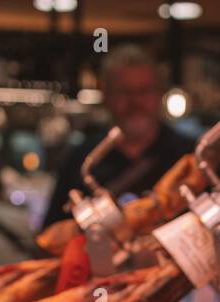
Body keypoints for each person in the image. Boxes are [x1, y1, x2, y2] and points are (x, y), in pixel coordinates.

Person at [42, 45, 195, 229]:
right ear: (106, 96)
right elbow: (51, 234)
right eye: (124, 92)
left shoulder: (191, 156)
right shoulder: (81, 160)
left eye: (144, 91)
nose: (135, 102)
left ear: (159, 94)